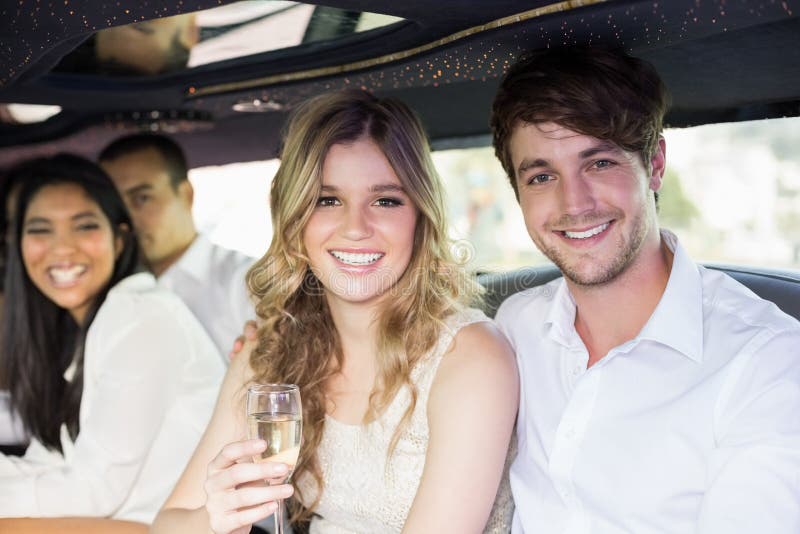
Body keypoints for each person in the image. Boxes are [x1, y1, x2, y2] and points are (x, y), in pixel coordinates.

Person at [152, 89, 518, 534]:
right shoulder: (270, 354)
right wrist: (216, 518)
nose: (356, 228)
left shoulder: (470, 357)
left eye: (386, 200)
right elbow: (168, 523)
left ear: (420, 215)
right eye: (327, 200)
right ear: (293, 220)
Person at [489, 46, 800, 533]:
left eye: (599, 163)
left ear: (654, 165)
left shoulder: (768, 361)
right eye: (542, 176)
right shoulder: (513, 327)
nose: (575, 203)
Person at [0, 155, 224, 523]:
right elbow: (47, 462)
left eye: (84, 226)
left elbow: (92, 492)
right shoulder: (89, 329)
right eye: (40, 230)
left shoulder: (141, 317)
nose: (62, 248)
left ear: (119, 240)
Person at [99, 134, 255, 358]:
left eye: (142, 198)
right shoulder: (107, 288)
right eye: (115, 205)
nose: (127, 219)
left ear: (186, 195)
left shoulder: (244, 282)